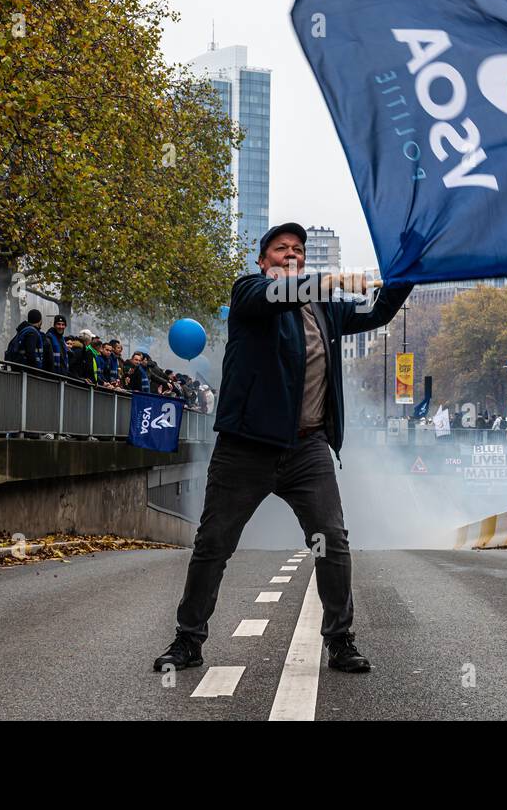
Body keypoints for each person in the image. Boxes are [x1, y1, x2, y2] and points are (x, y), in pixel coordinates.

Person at [153, 223, 413, 675]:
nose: (290, 253)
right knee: (213, 544)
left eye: (298, 249)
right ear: (262, 261)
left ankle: (340, 640)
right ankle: (188, 639)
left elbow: (379, 312)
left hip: (307, 448)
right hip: (246, 448)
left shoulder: (325, 309)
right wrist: (338, 280)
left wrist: (410, 269)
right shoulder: (249, 293)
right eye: (280, 249)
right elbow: (274, 297)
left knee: (331, 540)